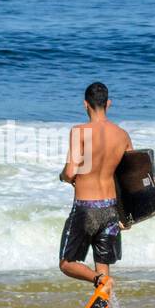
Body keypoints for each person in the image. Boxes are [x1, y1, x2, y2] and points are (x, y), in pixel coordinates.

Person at [58, 82, 132, 295]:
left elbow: (71, 172)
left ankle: (98, 279)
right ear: (108, 104)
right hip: (110, 208)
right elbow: (128, 176)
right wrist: (126, 216)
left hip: (85, 208)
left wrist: (63, 176)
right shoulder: (122, 135)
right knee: (103, 263)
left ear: (85, 105)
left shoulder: (80, 132)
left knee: (66, 263)